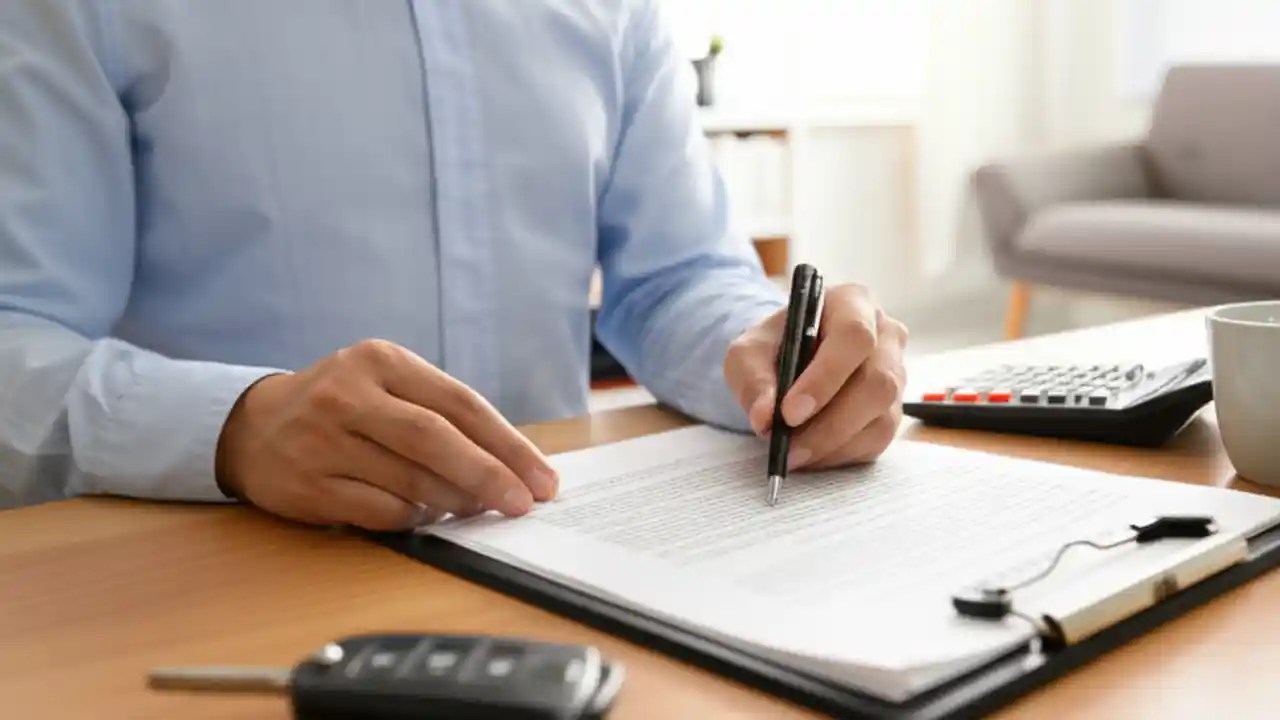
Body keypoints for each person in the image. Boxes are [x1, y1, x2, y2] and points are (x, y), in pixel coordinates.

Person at [0, 1, 908, 529]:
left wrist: (767, 353)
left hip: (564, 556)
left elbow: (676, 277)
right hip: (218, 565)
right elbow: (15, 340)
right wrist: (233, 429)